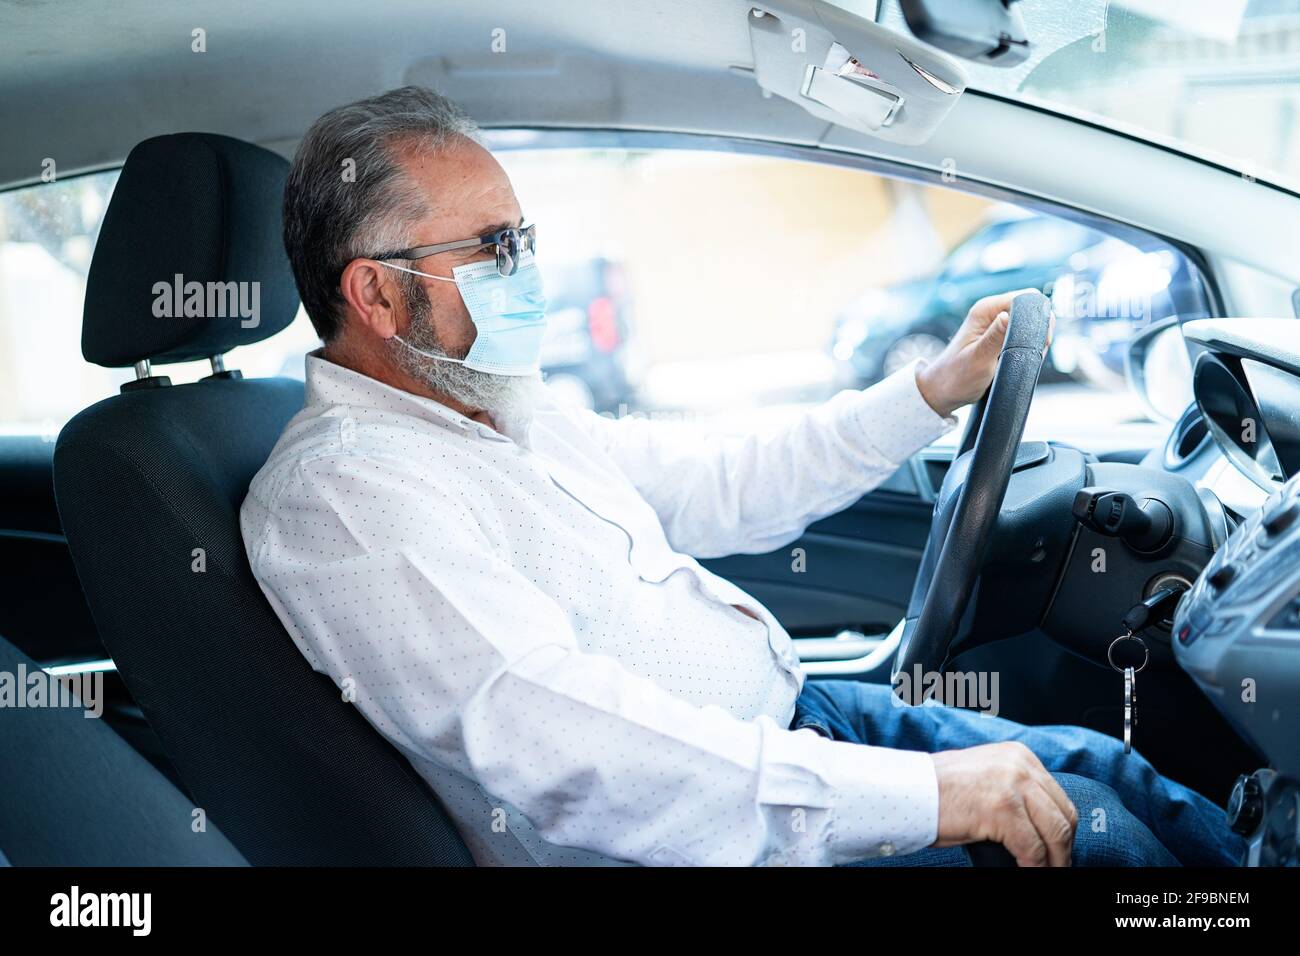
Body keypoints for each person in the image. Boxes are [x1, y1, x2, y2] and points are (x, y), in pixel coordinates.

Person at [241, 86, 1242, 867]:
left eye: (527, 241)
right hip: (716, 836)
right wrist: (931, 796)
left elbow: (720, 480)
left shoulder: (497, 411)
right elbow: (565, 743)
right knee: (1099, 831)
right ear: (377, 293)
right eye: (495, 247)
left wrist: (928, 391)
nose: (528, 272)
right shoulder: (345, 495)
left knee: (1099, 766)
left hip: (792, 736)